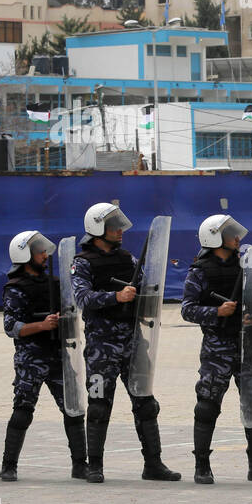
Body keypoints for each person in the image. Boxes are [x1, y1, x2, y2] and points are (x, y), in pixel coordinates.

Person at [72, 203, 179, 483]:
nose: (120, 231)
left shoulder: (129, 259)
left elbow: (144, 289)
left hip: (133, 340)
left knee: (145, 403)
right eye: (113, 226)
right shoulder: (82, 262)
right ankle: (94, 465)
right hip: (101, 345)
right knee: (98, 405)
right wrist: (115, 297)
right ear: (97, 229)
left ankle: (153, 464)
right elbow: (82, 298)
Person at [180, 214, 252, 485]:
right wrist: (216, 312)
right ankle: (202, 466)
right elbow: (187, 309)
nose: (237, 238)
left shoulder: (247, 267)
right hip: (217, 349)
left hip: (247, 345)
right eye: (230, 234)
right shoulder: (200, 270)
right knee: (207, 405)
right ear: (215, 237)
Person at [0, 230, 86, 481]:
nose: (44, 255)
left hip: (59, 354)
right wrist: (42, 326)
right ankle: (9, 465)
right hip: (31, 358)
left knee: (73, 409)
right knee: (23, 410)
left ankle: (80, 465)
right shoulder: (15, 288)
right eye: (39, 251)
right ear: (24, 255)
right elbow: (11, 327)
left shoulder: (56, 284)